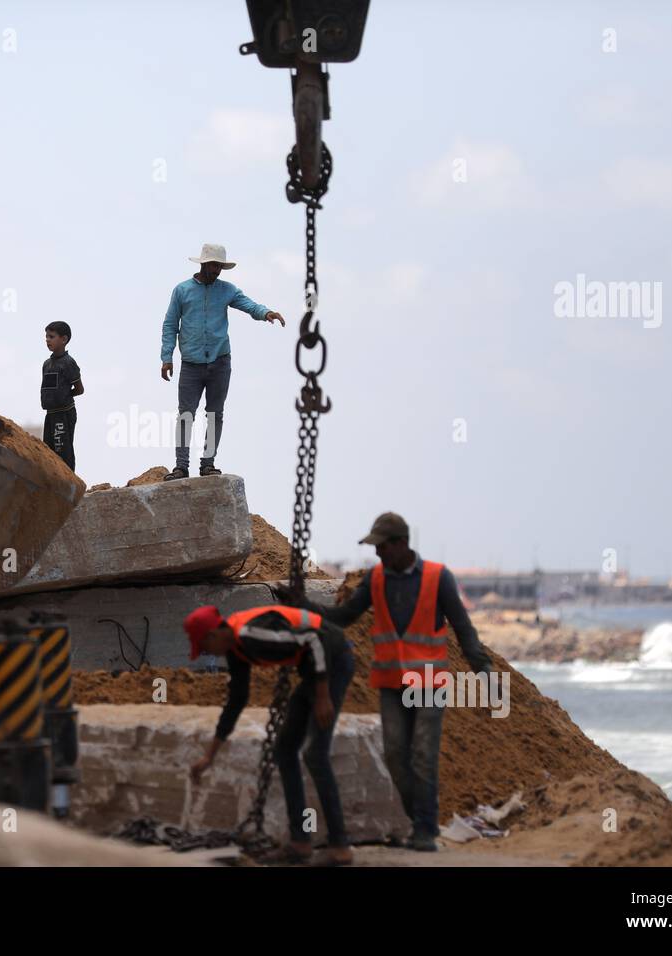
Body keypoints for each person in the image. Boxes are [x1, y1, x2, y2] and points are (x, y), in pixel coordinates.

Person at [301, 511, 493, 852]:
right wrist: (304, 607)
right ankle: (420, 820)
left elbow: (463, 628)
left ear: (402, 544)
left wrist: (485, 673)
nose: (377, 554)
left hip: (430, 683)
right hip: (391, 683)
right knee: (394, 755)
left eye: (382, 547)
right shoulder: (376, 580)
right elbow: (344, 617)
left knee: (423, 753)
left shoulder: (437, 578)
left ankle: (425, 830)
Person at [185, 603, 354, 865]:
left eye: (205, 648)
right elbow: (236, 701)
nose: (209, 654)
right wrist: (209, 756)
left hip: (335, 660)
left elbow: (315, 637)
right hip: (313, 672)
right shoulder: (236, 649)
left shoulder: (251, 635)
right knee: (285, 750)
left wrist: (323, 696)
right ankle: (300, 842)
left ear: (212, 634)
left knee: (315, 753)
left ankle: (340, 846)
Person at [159, 243, 284, 480]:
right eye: (214, 265)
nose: (217, 270)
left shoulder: (226, 290)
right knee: (186, 414)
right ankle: (181, 466)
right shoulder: (182, 291)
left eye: (220, 266)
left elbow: (248, 305)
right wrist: (167, 357)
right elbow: (170, 325)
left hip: (219, 361)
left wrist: (266, 312)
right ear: (204, 264)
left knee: (215, 414)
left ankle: (207, 463)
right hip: (191, 363)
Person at [41, 321, 83, 470]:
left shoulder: (68, 363)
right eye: (46, 336)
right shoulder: (47, 364)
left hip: (63, 413)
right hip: (50, 414)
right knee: (48, 451)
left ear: (64, 339)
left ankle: (70, 486)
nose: (47, 340)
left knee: (63, 452)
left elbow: (79, 389)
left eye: (51, 336)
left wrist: (64, 396)